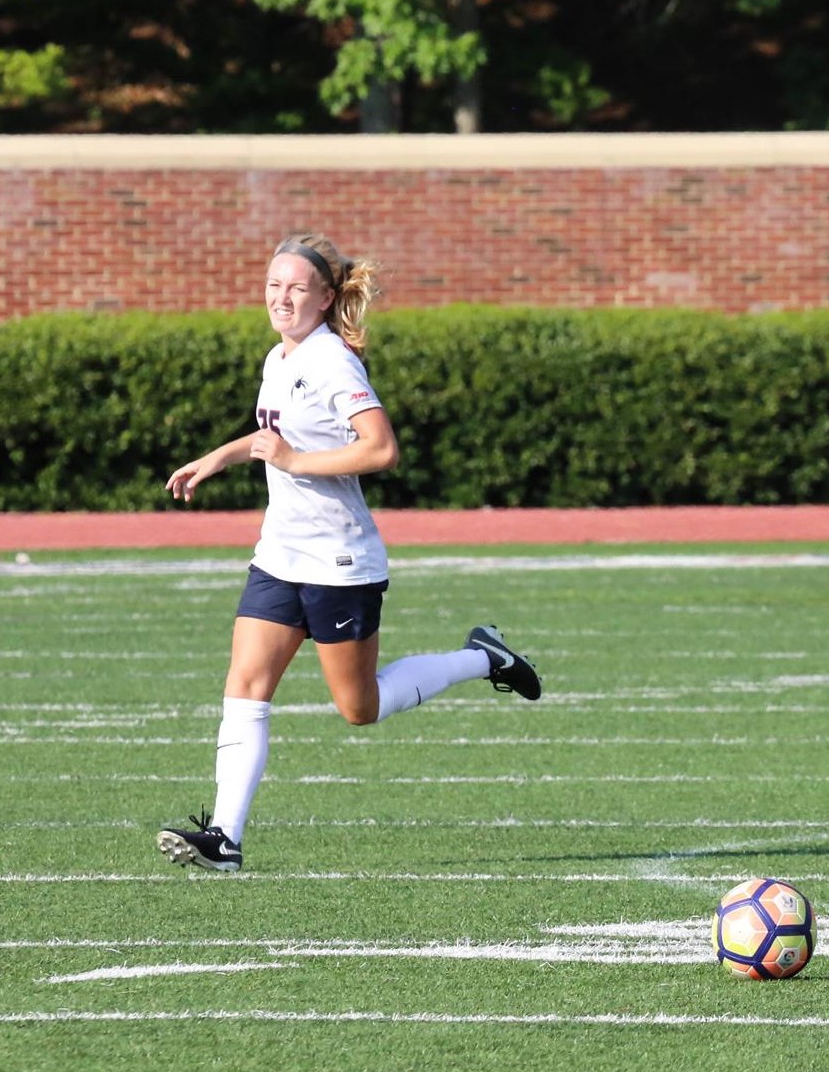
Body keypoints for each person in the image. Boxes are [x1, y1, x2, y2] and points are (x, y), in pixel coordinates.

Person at [154, 233, 541, 873]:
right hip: (280, 554)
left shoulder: (333, 360)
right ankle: (224, 837)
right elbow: (273, 434)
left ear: (326, 297)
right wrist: (217, 458)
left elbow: (380, 448)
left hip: (340, 561)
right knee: (245, 689)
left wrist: (297, 460)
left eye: (297, 288)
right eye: (274, 285)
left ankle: (482, 658)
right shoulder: (280, 357)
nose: (282, 297)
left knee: (359, 708)